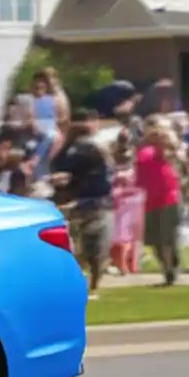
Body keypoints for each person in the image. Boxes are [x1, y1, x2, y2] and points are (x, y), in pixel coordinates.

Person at [50, 109, 113, 298]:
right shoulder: (68, 150)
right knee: (76, 247)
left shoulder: (97, 147)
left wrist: (71, 179)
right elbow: (59, 168)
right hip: (74, 203)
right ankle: (80, 284)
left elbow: (99, 177)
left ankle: (94, 285)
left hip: (95, 202)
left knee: (96, 246)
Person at [136, 122, 182, 286]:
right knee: (154, 240)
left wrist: (164, 138)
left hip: (168, 199)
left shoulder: (164, 151)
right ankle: (166, 267)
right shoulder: (142, 151)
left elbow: (170, 152)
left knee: (167, 238)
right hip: (149, 201)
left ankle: (171, 271)